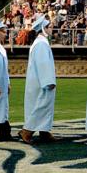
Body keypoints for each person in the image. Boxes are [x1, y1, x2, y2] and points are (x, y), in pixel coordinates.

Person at [19, 14, 57, 144]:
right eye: (49, 27)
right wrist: (48, 81)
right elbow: (43, 64)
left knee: (43, 106)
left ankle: (44, 131)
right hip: (42, 82)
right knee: (41, 105)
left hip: (38, 80)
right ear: (43, 28)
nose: (51, 29)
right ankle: (27, 131)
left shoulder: (41, 42)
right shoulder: (41, 44)